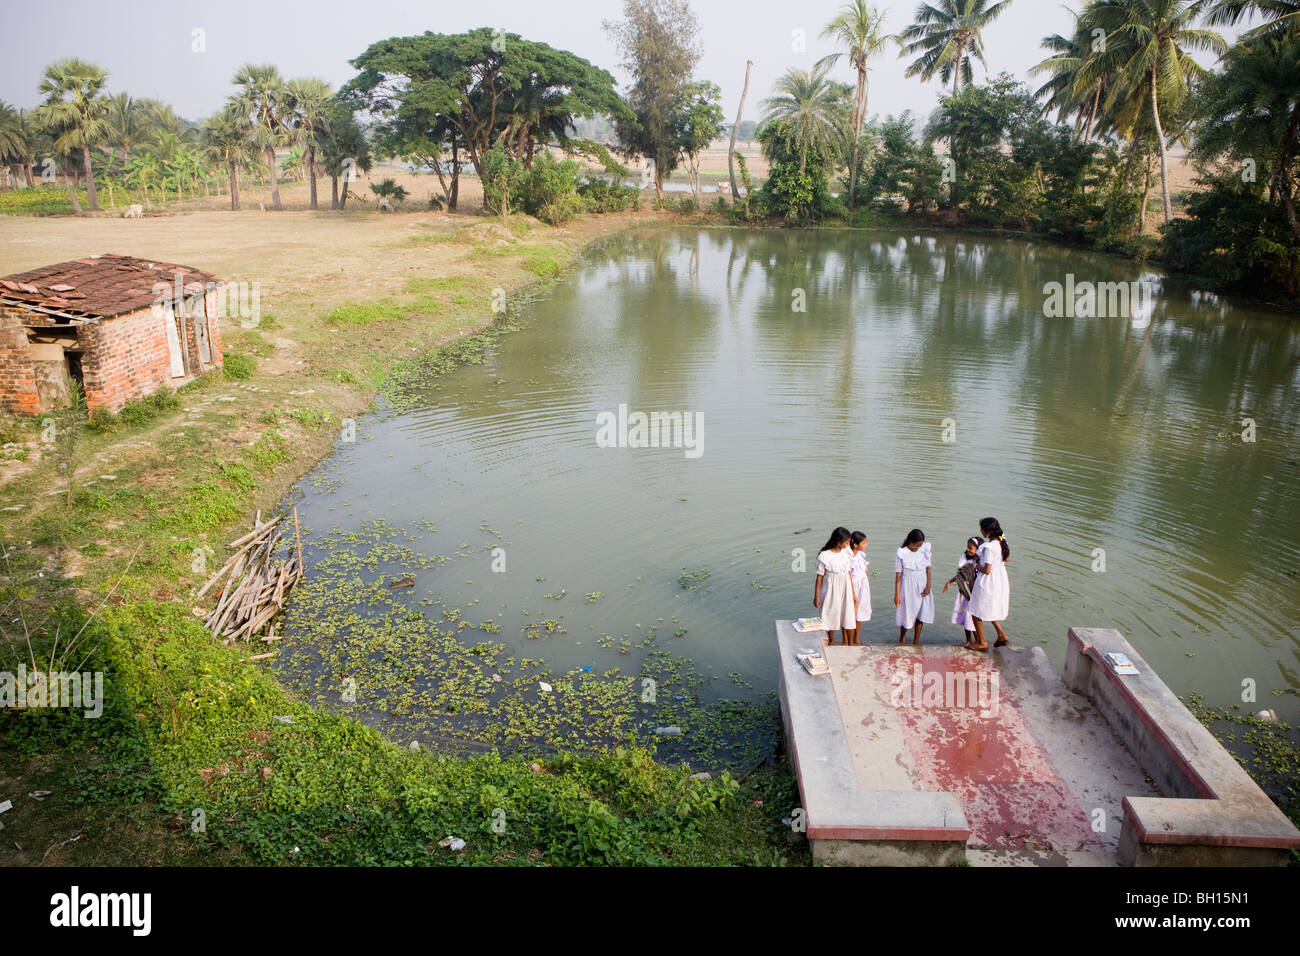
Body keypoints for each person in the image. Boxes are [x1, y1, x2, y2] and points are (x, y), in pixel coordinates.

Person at [967, 517, 1011, 652]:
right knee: (990, 609)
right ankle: (1001, 634)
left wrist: (976, 565)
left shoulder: (988, 547)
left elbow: (987, 569)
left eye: (981, 529)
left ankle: (981, 642)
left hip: (987, 582)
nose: (980, 531)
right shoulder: (1002, 542)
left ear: (987, 531)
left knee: (975, 611)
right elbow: (1007, 559)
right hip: (1000, 580)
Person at [813, 526, 858, 645]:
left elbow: (848, 573)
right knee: (830, 613)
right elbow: (819, 577)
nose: (849, 544)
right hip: (830, 589)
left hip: (845, 587)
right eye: (847, 542)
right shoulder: (824, 556)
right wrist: (816, 596)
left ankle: (850, 643)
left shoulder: (847, 552)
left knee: (848, 614)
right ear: (838, 542)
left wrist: (853, 593)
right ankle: (831, 641)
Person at [894, 529, 934, 644]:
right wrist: (897, 594)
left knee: (921, 615)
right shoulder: (902, 553)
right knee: (906, 615)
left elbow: (928, 570)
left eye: (919, 545)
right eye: (916, 546)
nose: (917, 548)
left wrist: (928, 586)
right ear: (910, 541)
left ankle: (916, 641)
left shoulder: (925, 550)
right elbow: (898, 575)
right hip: (907, 588)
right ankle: (902, 638)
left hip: (922, 585)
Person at [942, 537, 983, 649]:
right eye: (968, 547)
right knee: (965, 618)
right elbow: (961, 574)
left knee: (971, 618)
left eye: (971, 548)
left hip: (972, 594)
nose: (968, 550)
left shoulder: (978, 561)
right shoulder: (964, 558)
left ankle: (979, 640)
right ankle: (968, 640)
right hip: (963, 592)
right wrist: (950, 581)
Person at [847, 531, 871, 645]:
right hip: (852, 586)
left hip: (863, 585)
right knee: (850, 611)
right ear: (855, 545)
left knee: (860, 610)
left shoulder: (860, 555)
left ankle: (857, 637)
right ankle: (848, 639)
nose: (866, 545)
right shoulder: (848, 557)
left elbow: (864, 569)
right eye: (864, 543)